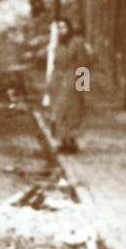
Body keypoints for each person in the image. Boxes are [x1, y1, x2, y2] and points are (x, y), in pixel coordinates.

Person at [49, 18, 93, 153]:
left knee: (73, 113)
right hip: (59, 84)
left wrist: (82, 87)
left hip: (73, 83)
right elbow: (55, 65)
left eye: (63, 27)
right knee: (60, 113)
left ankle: (71, 142)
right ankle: (63, 141)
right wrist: (51, 84)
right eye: (59, 28)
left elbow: (84, 64)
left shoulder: (77, 43)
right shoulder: (58, 46)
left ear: (69, 27)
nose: (61, 31)